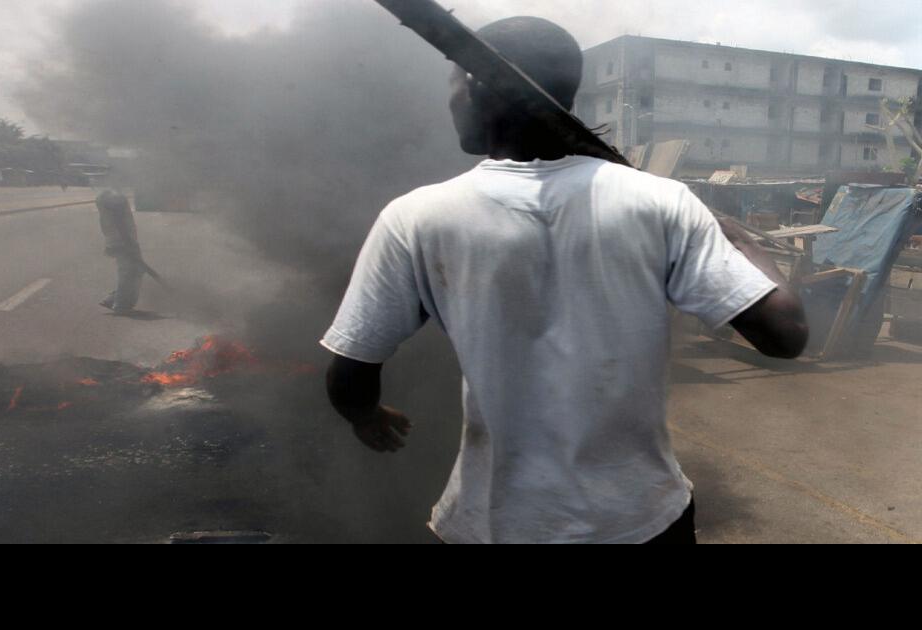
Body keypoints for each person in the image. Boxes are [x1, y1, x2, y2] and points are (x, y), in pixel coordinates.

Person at [321, 17, 808, 544]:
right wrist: (750, 248)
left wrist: (366, 415)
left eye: (454, 86)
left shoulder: (416, 216)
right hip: (644, 521)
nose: (451, 103)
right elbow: (785, 336)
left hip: (494, 524)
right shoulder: (660, 202)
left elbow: (349, 374)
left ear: (480, 86)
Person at [96, 189, 144, 314]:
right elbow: (120, 222)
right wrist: (127, 243)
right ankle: (121, 304)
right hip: (124, 241)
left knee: (129, 271)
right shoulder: (115, 197)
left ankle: (112, 299)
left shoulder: (105, 195)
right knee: (130, 272)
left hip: (116, 240)